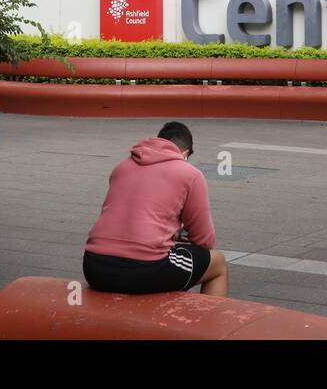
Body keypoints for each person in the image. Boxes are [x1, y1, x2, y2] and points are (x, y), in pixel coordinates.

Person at [83, 121, 229, 297]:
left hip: (94, 266)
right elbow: (204, 240)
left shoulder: (122, 167)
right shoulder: (190, 174)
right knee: (218, 263)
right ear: (186, 153)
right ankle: (207, 324)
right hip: (144, 268)